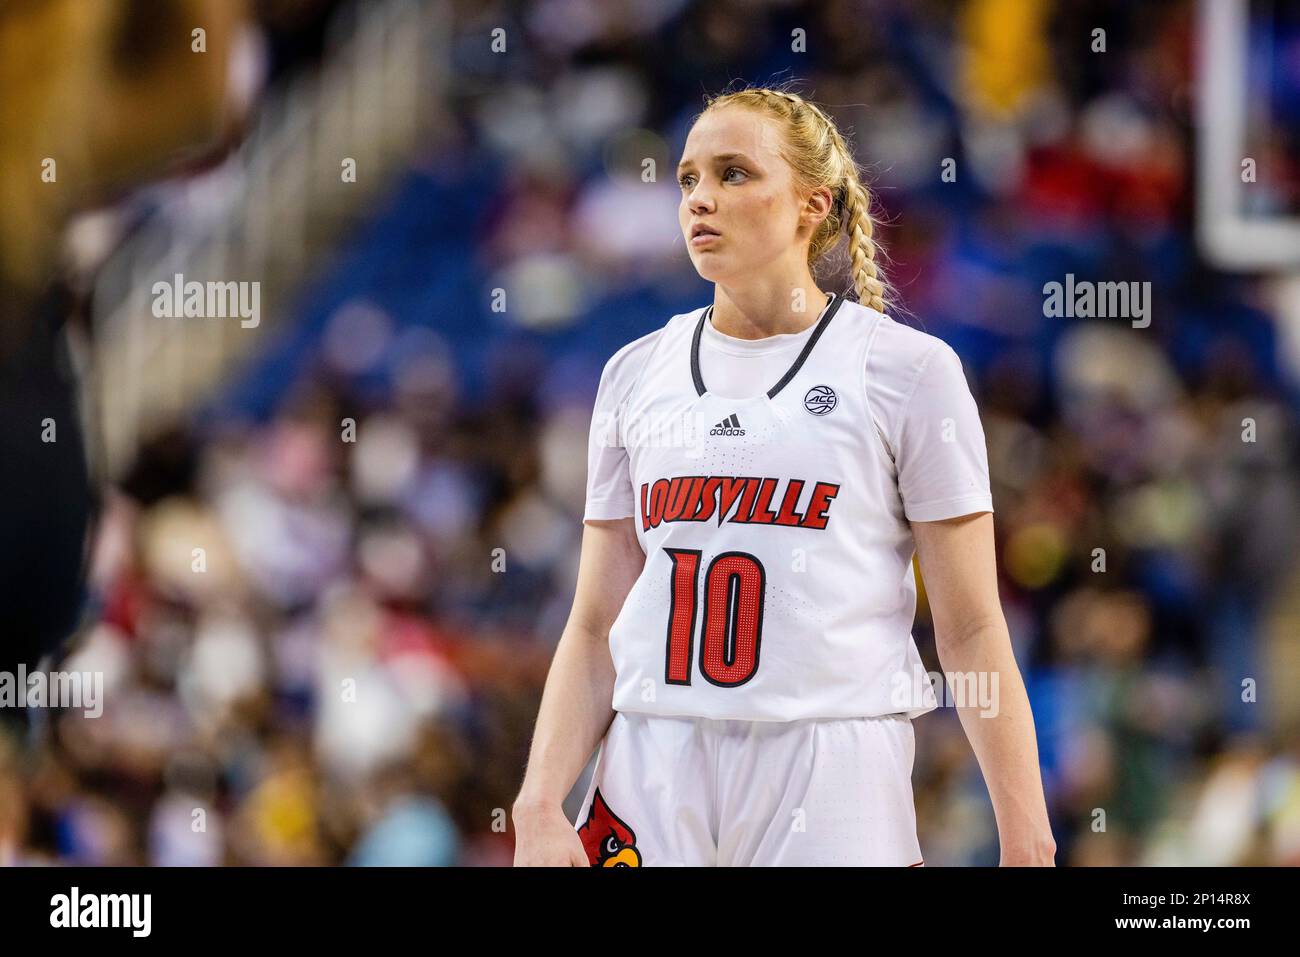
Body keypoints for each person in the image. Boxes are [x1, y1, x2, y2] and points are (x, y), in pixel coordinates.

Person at [512, 85, 1055, 866]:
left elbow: (969, 630)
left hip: (831, 761)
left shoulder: (907, 372)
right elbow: (595, 623)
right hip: (651, 758)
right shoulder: (633, 374)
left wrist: (1026, 831)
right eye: (689, 179)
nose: (702, 198)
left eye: (734, 174)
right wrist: (538, 799)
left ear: (811, 204)